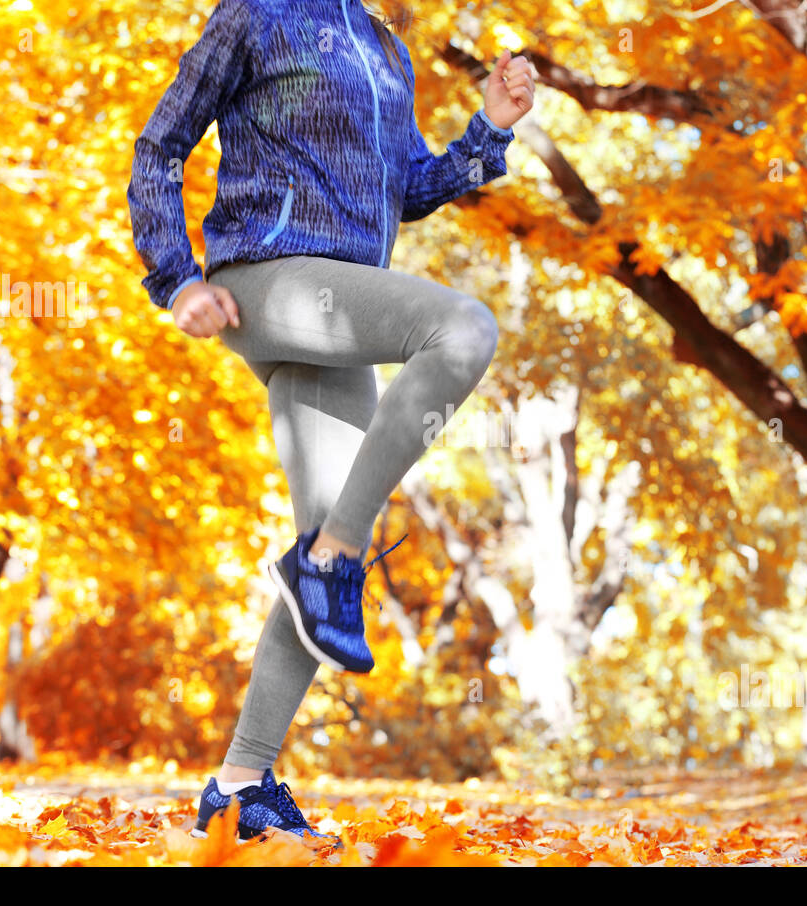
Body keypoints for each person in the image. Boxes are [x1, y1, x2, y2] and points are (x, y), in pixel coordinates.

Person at [125, 0, 534, 844]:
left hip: (339, 311)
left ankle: (240, 785)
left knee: (319, 578)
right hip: (268, 279)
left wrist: (488, 130)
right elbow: (158, 149)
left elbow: (408, 186)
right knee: (463, 328)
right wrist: (176, 278)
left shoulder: (386, 49)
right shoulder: (257, 15)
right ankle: (335, 556)